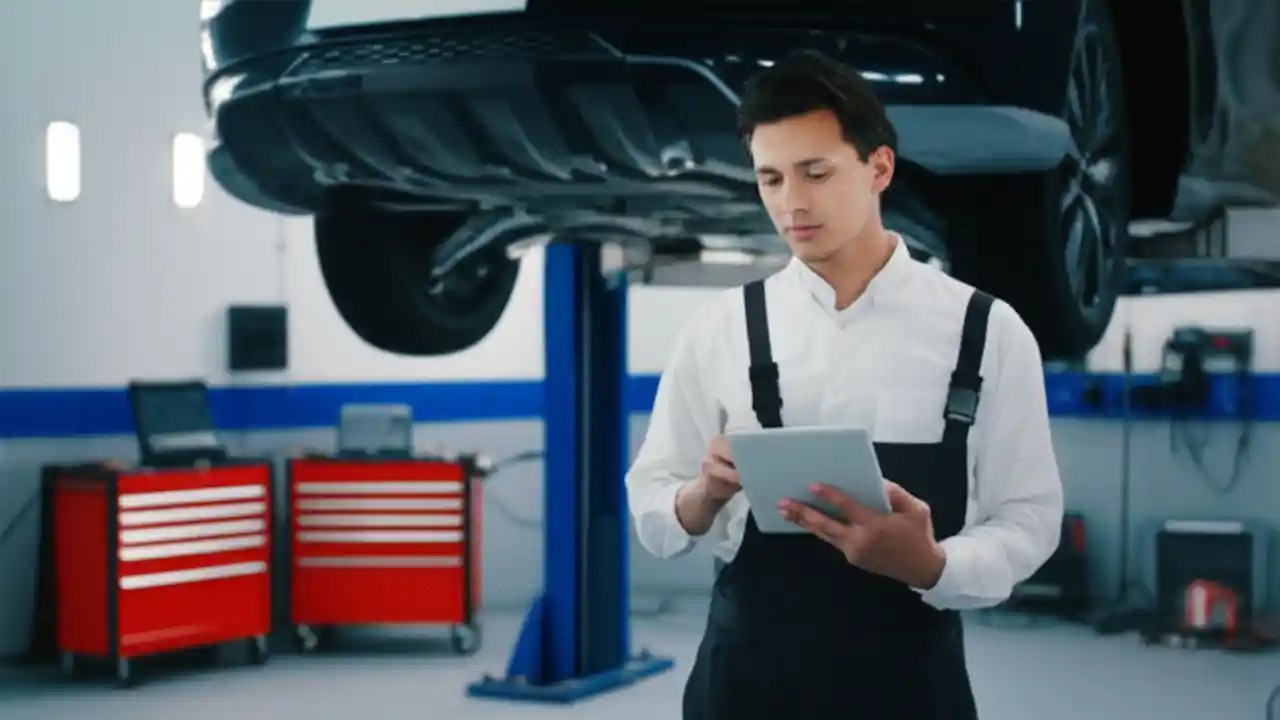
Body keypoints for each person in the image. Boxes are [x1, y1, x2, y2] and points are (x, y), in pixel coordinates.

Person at [624, 48, 1065, 719]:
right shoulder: (721, 330)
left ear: (878, 167)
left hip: (911, 691)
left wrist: (932, 565)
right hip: (745, 689)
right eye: (770, 179)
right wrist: (703, 493)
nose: (791, 203)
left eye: (816, 172)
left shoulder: (986, 332)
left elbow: (1030, 519)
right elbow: (654, 510)